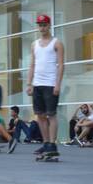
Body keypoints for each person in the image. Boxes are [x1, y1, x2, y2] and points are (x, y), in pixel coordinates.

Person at [26, 14, 65, 160]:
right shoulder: (34, 44)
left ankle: (52, 143)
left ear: (49, 25)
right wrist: (29, 84)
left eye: (44, 25)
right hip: (37, 84)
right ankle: (46, 142)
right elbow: (32, 65)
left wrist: (58, 84)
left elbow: (61, 65)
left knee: (51, 114)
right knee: (40, 115)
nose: (42, 27)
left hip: (50, 84)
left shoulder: (57, 43)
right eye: (40, 25)